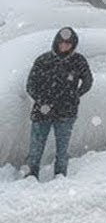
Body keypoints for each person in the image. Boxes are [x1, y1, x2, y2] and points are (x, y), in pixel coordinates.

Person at [25, 27, 93, 180]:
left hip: (66, 113)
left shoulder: (78, 61)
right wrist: (42, 102)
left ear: (73, 44)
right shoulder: (43, 60)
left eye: (68, 43)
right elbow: (30, 85)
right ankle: (30, 176)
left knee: (62, 150)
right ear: (56, 42)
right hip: (42, 112)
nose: (64, 46)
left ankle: (60, 177)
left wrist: (75, 96)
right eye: (61, 42)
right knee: (36, 148)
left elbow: (88, 81)